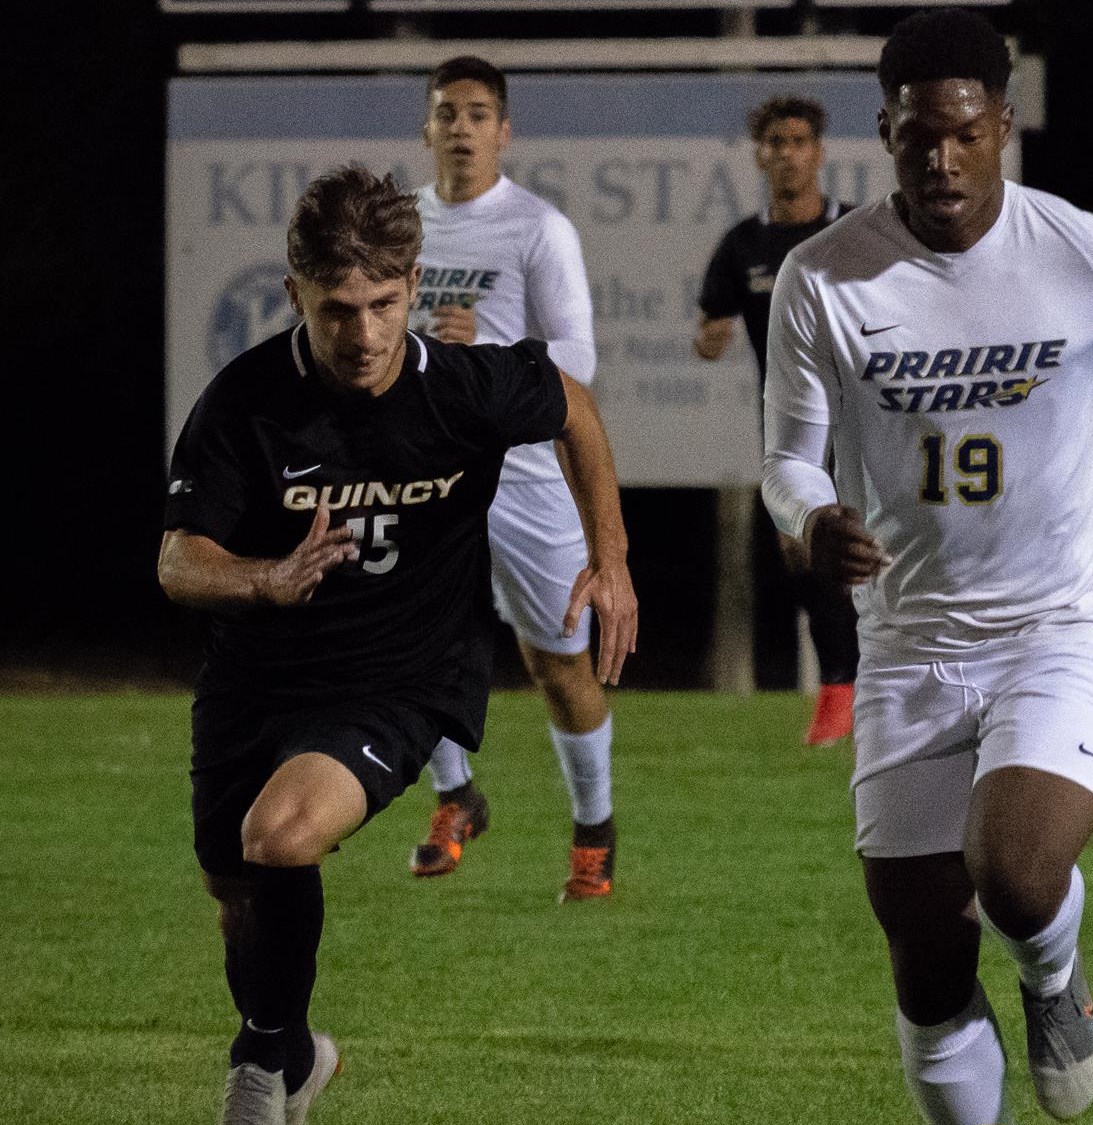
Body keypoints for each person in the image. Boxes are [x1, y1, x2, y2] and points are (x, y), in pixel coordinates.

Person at [761, 10, 1093, 1123]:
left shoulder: (1083, 249)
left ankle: (1055, 980)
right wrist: (812, 519)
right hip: (910, 641)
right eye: (917, 136)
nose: (941, 159)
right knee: (922, 961)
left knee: (1011, 870)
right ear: (887, 131)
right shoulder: (822, 277)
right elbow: (783, 457)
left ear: (1001, 128)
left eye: (964, 134)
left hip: (1059, 626)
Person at [159, 165, 636, 1124]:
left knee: (280, 837)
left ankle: (256, 1073)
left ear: (415, 284)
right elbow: (178, 560)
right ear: (296, 294)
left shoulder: (463, 387)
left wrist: (610, 554)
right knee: (236, 892)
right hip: (257, 679)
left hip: (404, 678)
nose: (366, 334)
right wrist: (264, 578)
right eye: (338, 310)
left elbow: (573, 406)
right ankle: (297, 1054)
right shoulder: (245, 401)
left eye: (384, 303)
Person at [407, 56, 619, 899]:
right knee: (410, 640)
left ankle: (594, 828)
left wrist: (487, 351)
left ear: (505, 130)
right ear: (426, 129)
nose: (462, 127)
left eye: (479, 113)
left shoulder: (538, 228)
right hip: (427, 470)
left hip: (526, 476)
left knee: (558, 664)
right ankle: (455, 796)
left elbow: (579, 359)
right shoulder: (400, 226)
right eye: (446, 113)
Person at [694, 95, 859, 745]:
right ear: (760, 154)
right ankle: (839, 689)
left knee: (886, 549)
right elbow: (710, 324)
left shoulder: (853, 232)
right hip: (792, 423)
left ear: (818, 152)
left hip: (869, 419)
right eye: (775, 142)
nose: (787, 153)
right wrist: (710, 338)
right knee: (803, 551)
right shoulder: (744, 244)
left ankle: (885, 683)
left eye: (798, 141)